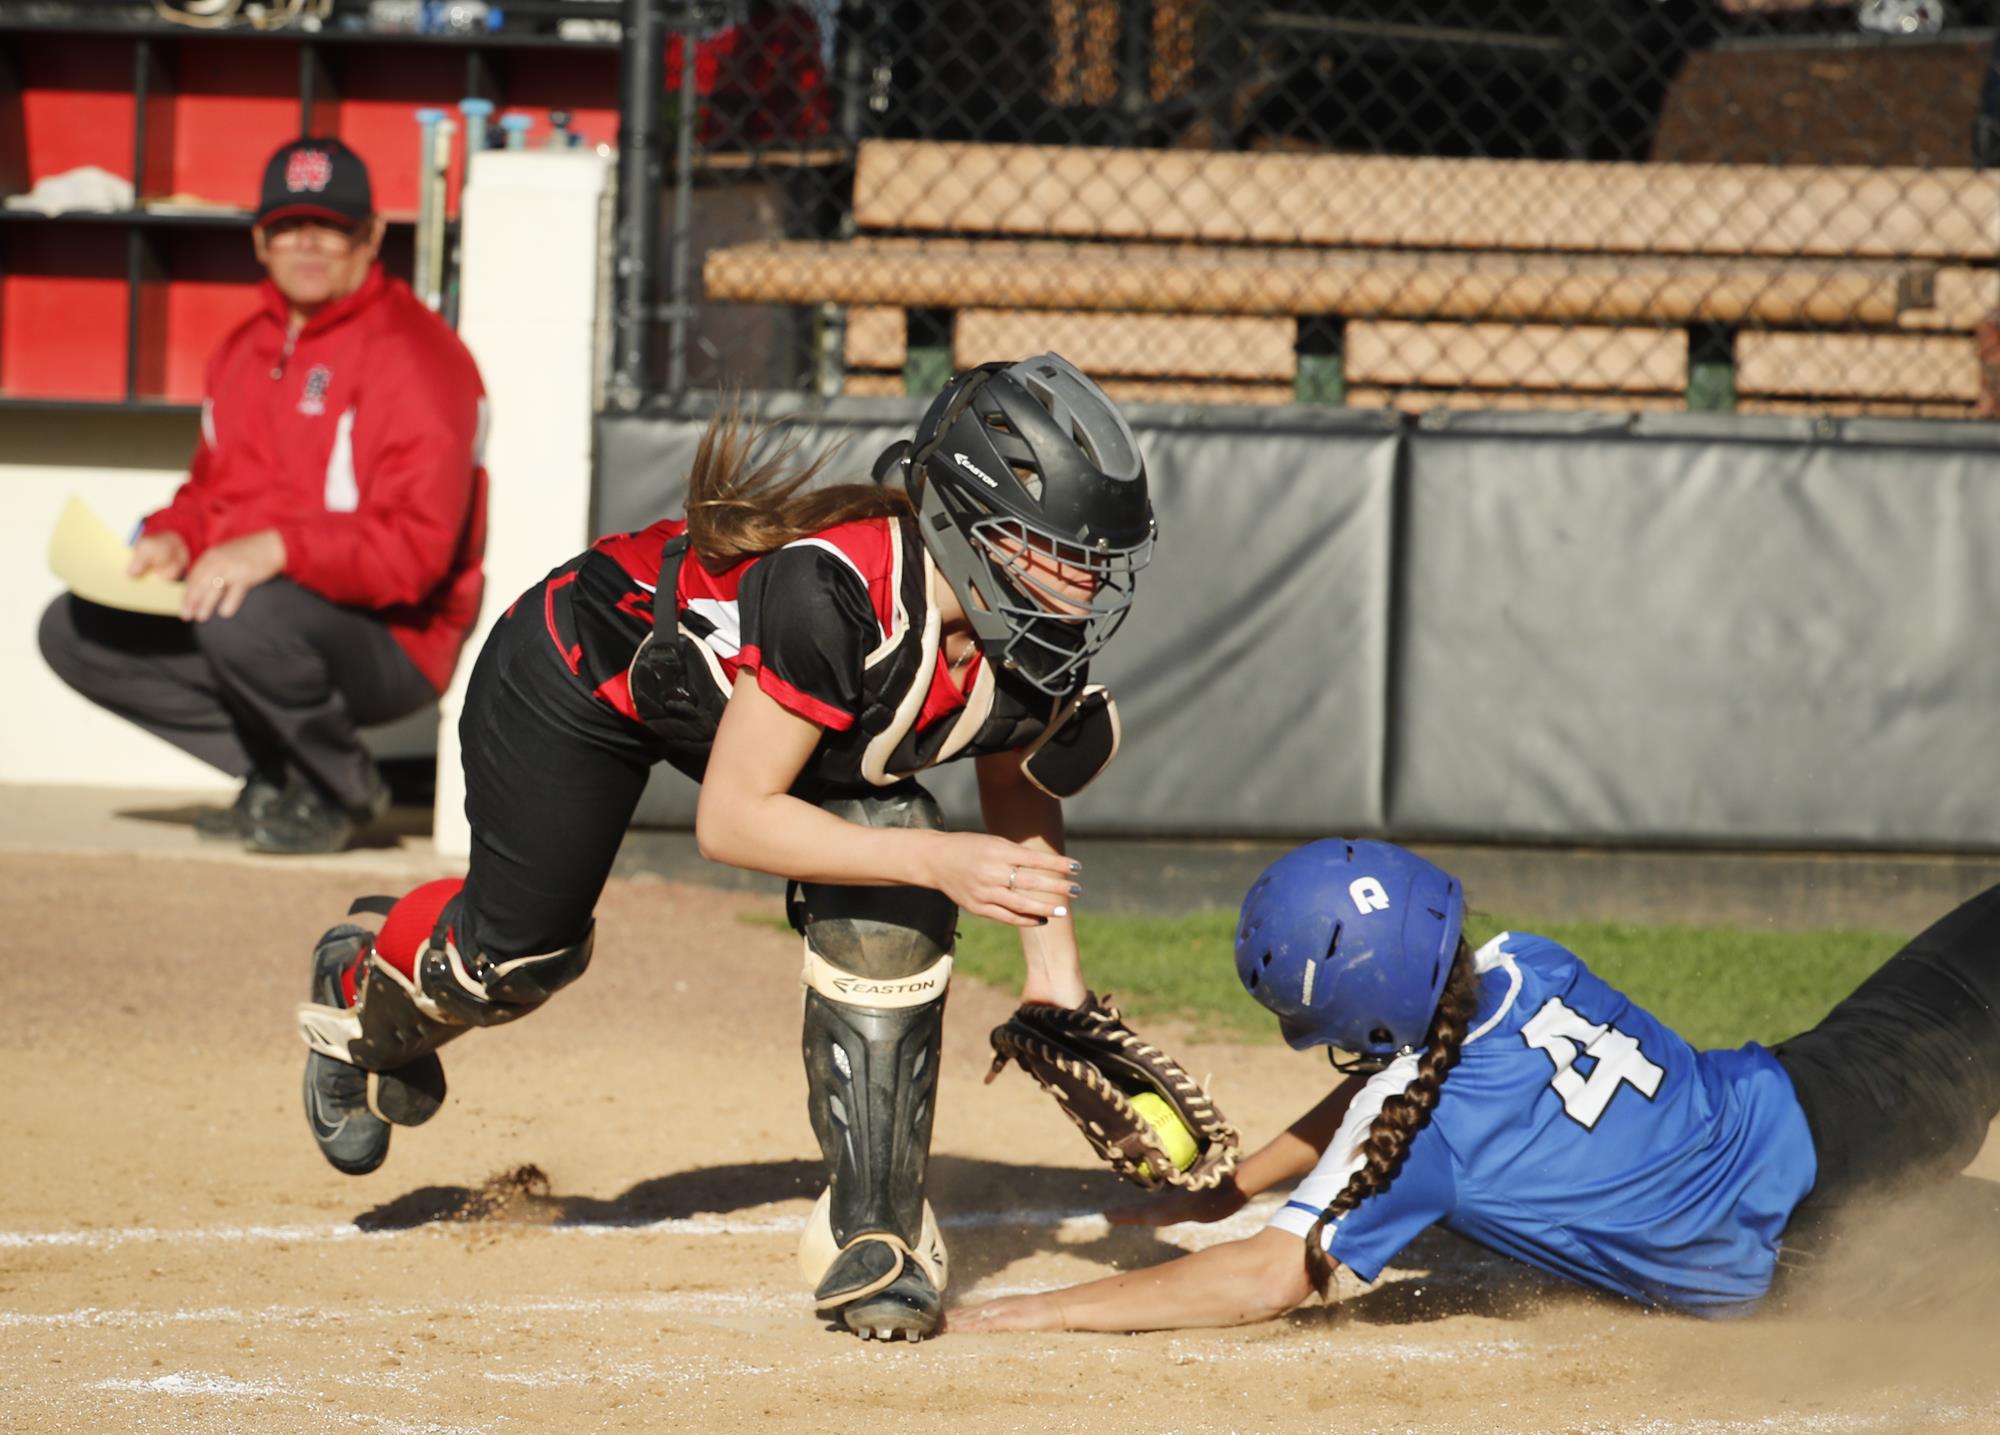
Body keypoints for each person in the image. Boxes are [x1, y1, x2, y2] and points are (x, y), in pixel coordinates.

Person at [292, 354, 1156, 1343]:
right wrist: (943, 863)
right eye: (1055, 550)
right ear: (968, 526)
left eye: (1096, 559)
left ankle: (873, 1233)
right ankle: (364, 991)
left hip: (753, 719)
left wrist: (1057, 982)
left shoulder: (1032, 625)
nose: (1084, 582)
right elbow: (736, 818)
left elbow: (1013, 773)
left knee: (891, 852)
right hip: (581, 674)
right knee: (515, 960)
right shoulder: (834, 591)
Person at [949, 838, 2000, 1332]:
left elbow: (1260, 1279)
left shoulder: (1418, 1133)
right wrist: (1236, 1183)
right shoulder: (1522, 957)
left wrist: (1032, 1311)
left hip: (1808, 1239)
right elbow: (1380, 1097)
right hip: (1850, 1088)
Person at [37, 136, 488, 855]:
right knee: (73, 630)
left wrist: (278, 547)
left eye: (330, 226)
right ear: (259, 239)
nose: (306, 244)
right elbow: (213, 491)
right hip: (272, 616)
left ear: (370, 237)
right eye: (287, 225)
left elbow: (416, 553)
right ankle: (282, 775)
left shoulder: (417, 355)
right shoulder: (245, 346)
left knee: (241, 612)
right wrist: (174, 536)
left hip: (395, 638)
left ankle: (339, 784)